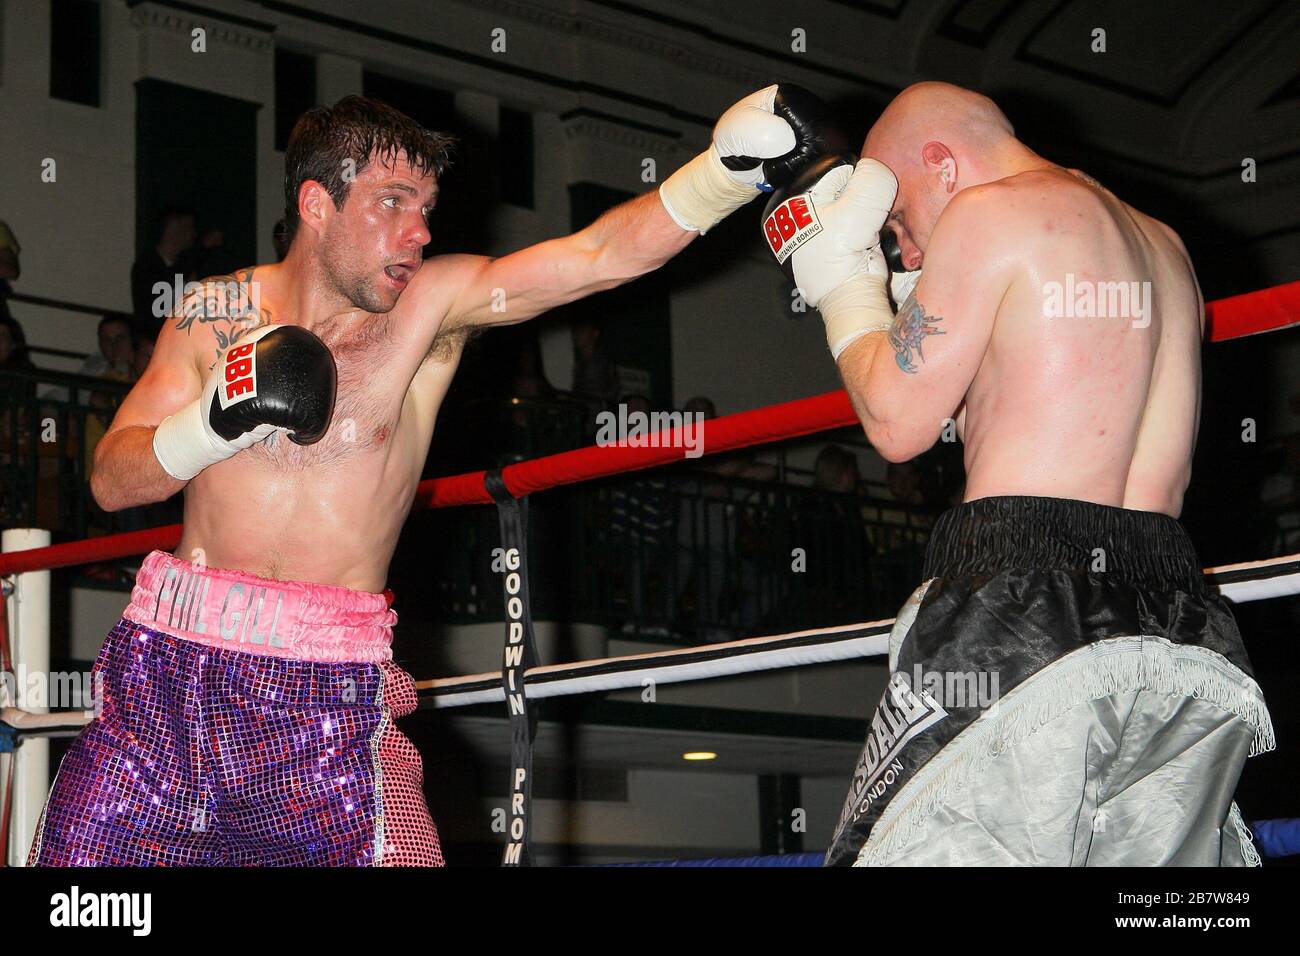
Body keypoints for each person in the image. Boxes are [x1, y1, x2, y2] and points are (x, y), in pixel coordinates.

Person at [28, 87, 833, 866]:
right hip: (163, 679)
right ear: (316, 204)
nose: (418, 232)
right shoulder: (211, 312)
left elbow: (594, 258)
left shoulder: (430, 311)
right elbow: (110, 480)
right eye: (394, 202)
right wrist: (206, 425)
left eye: (427, 210)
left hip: (326, 702)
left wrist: (727, 172)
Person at [767, 82, 1271, 866]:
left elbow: (898, 425)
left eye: (898, 224)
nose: (903, 252)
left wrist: (843, 285)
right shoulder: (1165, 245)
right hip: (1178, 617)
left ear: (940, 163)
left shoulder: (986, 213)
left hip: (1024, 602)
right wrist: (908, 297)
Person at [130, 206, 197, 339]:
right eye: (189, 227)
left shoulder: (186, 266)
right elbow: (156, 307)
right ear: (173, 229)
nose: (193, 234)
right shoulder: (147, 266)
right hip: (156, 341)